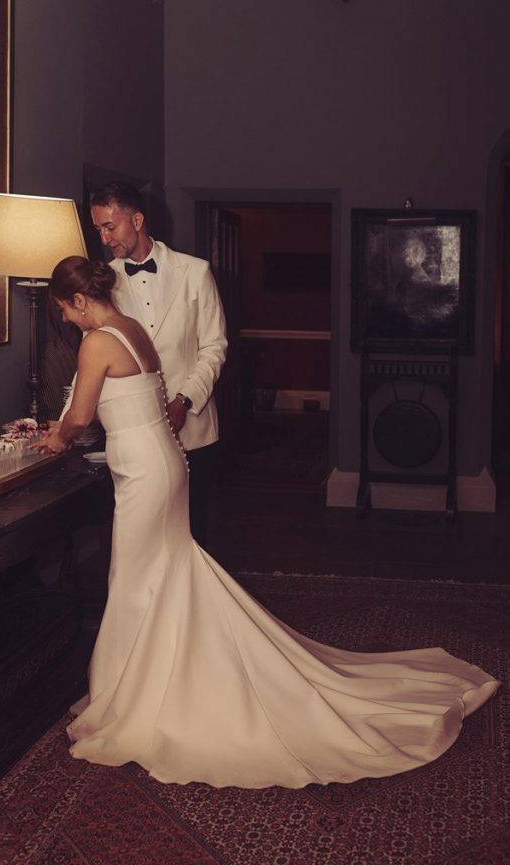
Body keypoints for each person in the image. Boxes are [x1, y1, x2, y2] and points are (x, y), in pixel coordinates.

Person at [35, 256, 498, 790]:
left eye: (64, 310)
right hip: (165, 462)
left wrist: (55, 438)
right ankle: (144, 684)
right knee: (159, 573)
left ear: (79, 300)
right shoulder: (132, 327)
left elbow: (81, 415)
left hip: (143, 471)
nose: (66, 320)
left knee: (137, 579)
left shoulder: (97, 341)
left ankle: (139, 696)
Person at [89, 182, 227, 546]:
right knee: (145, 535)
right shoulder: (104, 284)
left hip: (194, 427)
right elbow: (96, 357)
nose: (104, 238)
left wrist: (184, 400)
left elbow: (214, 347)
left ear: (136, 221)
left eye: (109, 227)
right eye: (98, 229)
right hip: (138, 434)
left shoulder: (196, 272)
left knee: (191, 533)